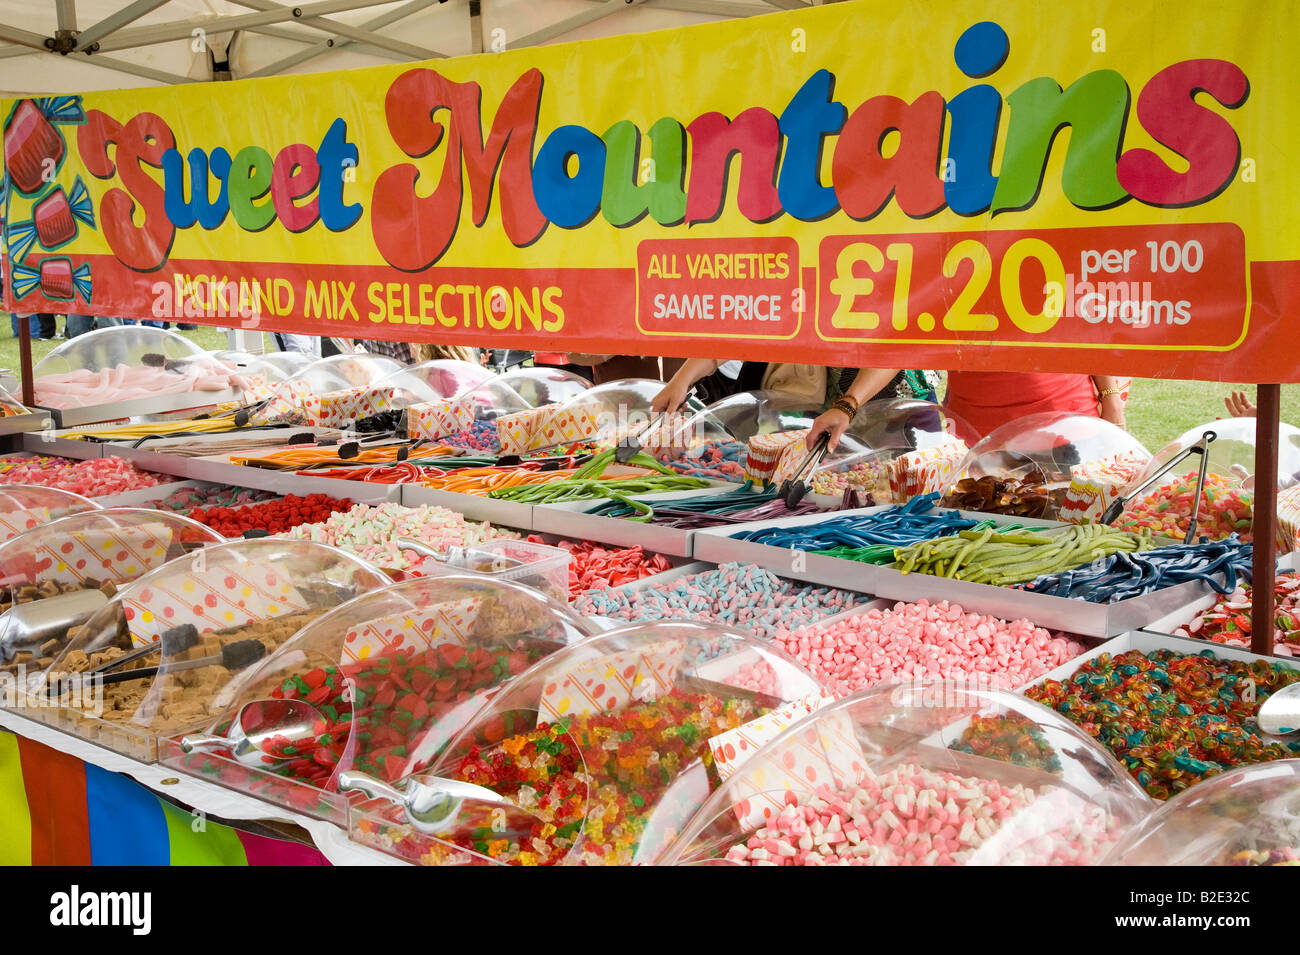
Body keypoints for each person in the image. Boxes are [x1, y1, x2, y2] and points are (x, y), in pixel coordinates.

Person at [942, 371, 1127, 440]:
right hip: (974, 423)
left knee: (1074, 519)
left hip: (1063, 424)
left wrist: (1112, 399)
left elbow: (1089, 322)